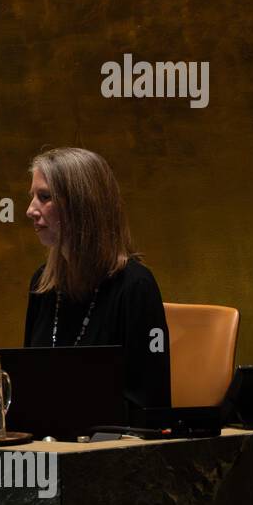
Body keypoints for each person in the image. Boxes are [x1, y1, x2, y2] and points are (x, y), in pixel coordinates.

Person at [23, 147, 170, 408]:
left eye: (44, 197)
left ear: (82, 204)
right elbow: (29, 384)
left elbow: (149, 400)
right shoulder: (42, 284)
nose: (30, 210)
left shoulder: (136, 286)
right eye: (32, 196)